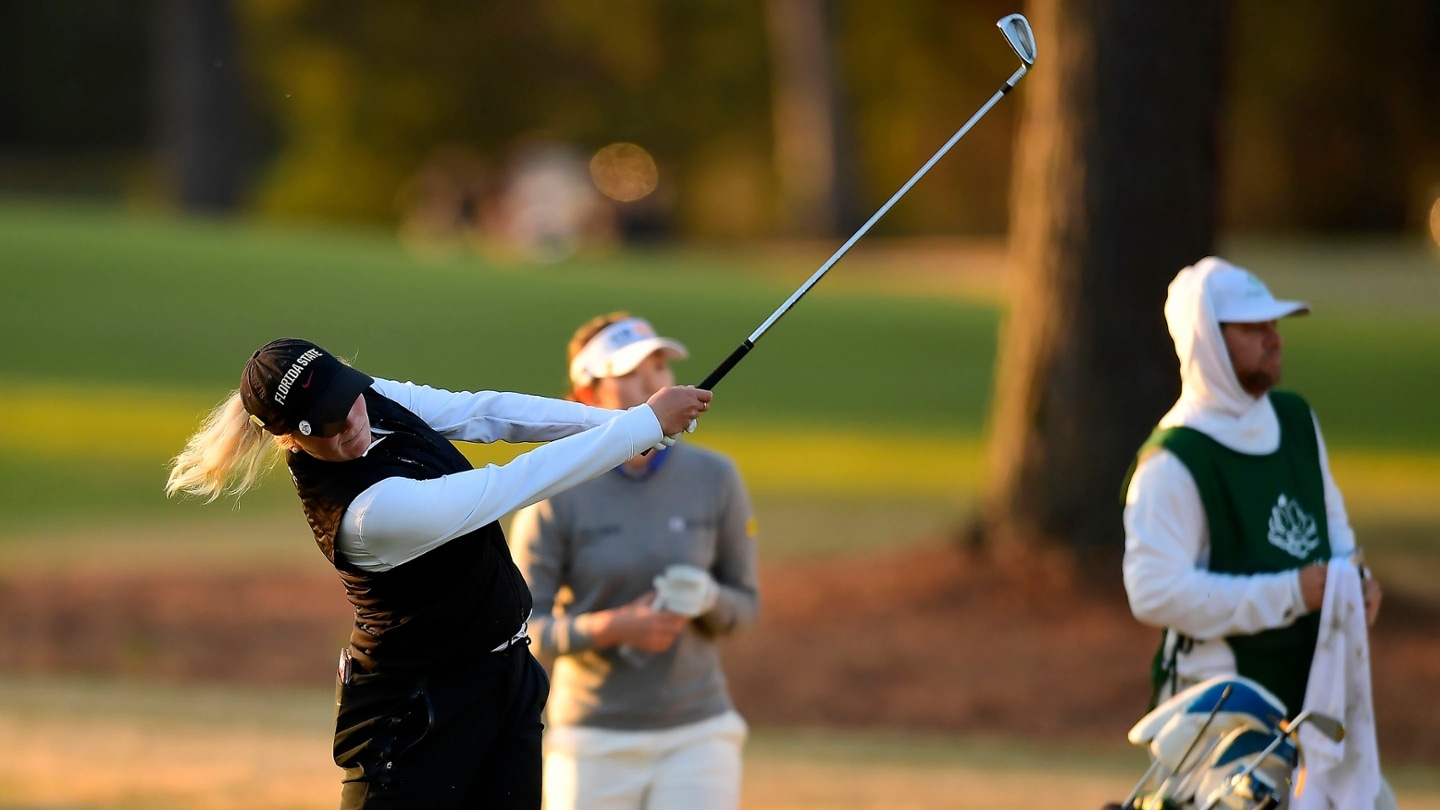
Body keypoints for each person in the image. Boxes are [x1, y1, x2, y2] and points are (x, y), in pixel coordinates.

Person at [165, 337, 712, 810]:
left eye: (345, 402)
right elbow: (507, 486)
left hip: (505, 679)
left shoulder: (365, 398)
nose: (349, 426)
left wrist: (624, 425)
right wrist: (640, 427)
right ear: (289, 439)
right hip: (413, 714)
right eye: (324, 428)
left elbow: (483, 413)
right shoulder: (365, 514)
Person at [1121, 257, 1392, 808]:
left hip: (1315, 698)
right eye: (1253, 328)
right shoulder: (1174, 459)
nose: (1275, 339)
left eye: (1275, 325)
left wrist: (1354, 582)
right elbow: (1152, 591)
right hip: (1224, 711)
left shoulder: (1295, 420)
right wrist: (1294, 592)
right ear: (1208, 342)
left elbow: (1334, 533)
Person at [509, 313, 760, 810]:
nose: (653, 384)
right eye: (628, 373)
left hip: (699, 735)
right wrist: (611, 628)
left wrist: (707, 599)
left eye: (661, 365)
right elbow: (521, 631)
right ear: (588, 391)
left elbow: (744, 609)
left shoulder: (716, 477)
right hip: (592, 739)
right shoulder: (555, 489)